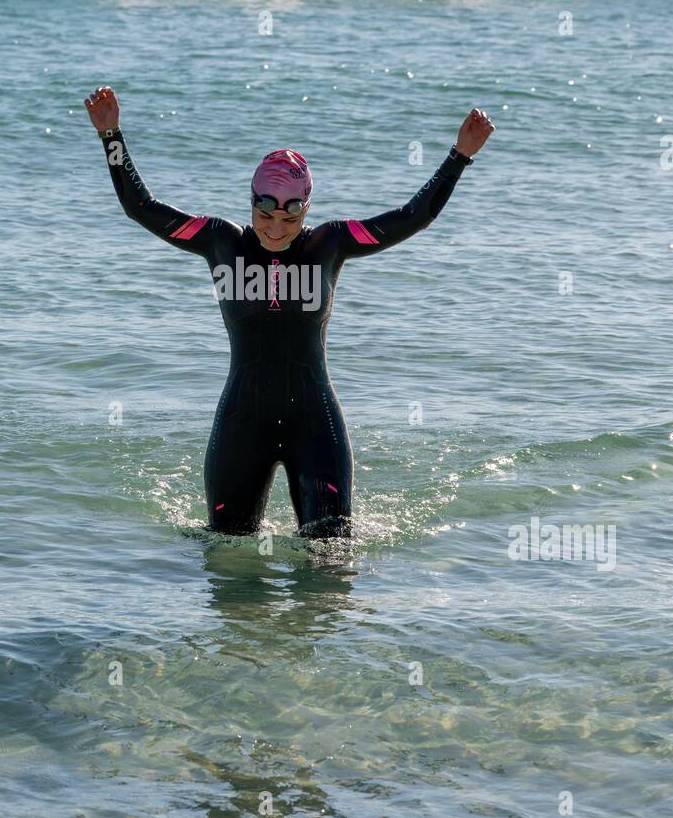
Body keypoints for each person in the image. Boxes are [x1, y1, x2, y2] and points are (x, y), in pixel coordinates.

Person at [85, 86, 494, 539]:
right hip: (243, 424)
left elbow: (413, 216)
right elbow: (139, 207)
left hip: (315, 425)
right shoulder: (221, 241)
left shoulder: (331, 243)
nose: (276, 228)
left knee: (330, 567)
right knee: (229, 569)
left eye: (290, 216)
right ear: (252, 201)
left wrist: (460, 155)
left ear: (306, 210)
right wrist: (111, 135)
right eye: (265, 214)